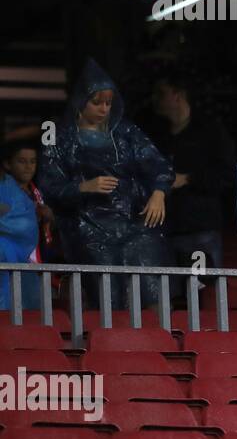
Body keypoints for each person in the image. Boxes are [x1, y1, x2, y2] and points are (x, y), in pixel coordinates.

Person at [38, 59, 174, 308]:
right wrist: (82, 187)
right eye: (96, 102)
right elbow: (49, 184)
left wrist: (158, 193)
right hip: (89, 225)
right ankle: (108, 340)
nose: (103, 109)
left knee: (152, 287)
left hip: (134, 220)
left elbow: (158, 164)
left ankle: (157, 338)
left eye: (108, 103)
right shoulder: (61, 137)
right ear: (81, 101)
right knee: (106, 294)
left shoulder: (126, 132)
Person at [150, 70, 236, 279]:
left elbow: (228, 176)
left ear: (177, 95)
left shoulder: (211, 132)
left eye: (162, 94)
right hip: (162, 230)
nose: (156, 100)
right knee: (167, 301)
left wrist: (187, 179)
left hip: (200, 228)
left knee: (202, 300)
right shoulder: (156, 134)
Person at [2, 141, 53, 303]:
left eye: (33, 161)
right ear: (7, 164)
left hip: (29, 262)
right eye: (22, 161)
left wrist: (48, 217)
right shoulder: (5, 187)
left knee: (31, 312)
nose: (28, 166)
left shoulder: (37, 193)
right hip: (6, 257)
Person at [0, 162, 38, 311]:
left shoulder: (10, 187)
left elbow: (26, 225)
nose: (28, 166)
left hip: (14, 272)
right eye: (21, 161)